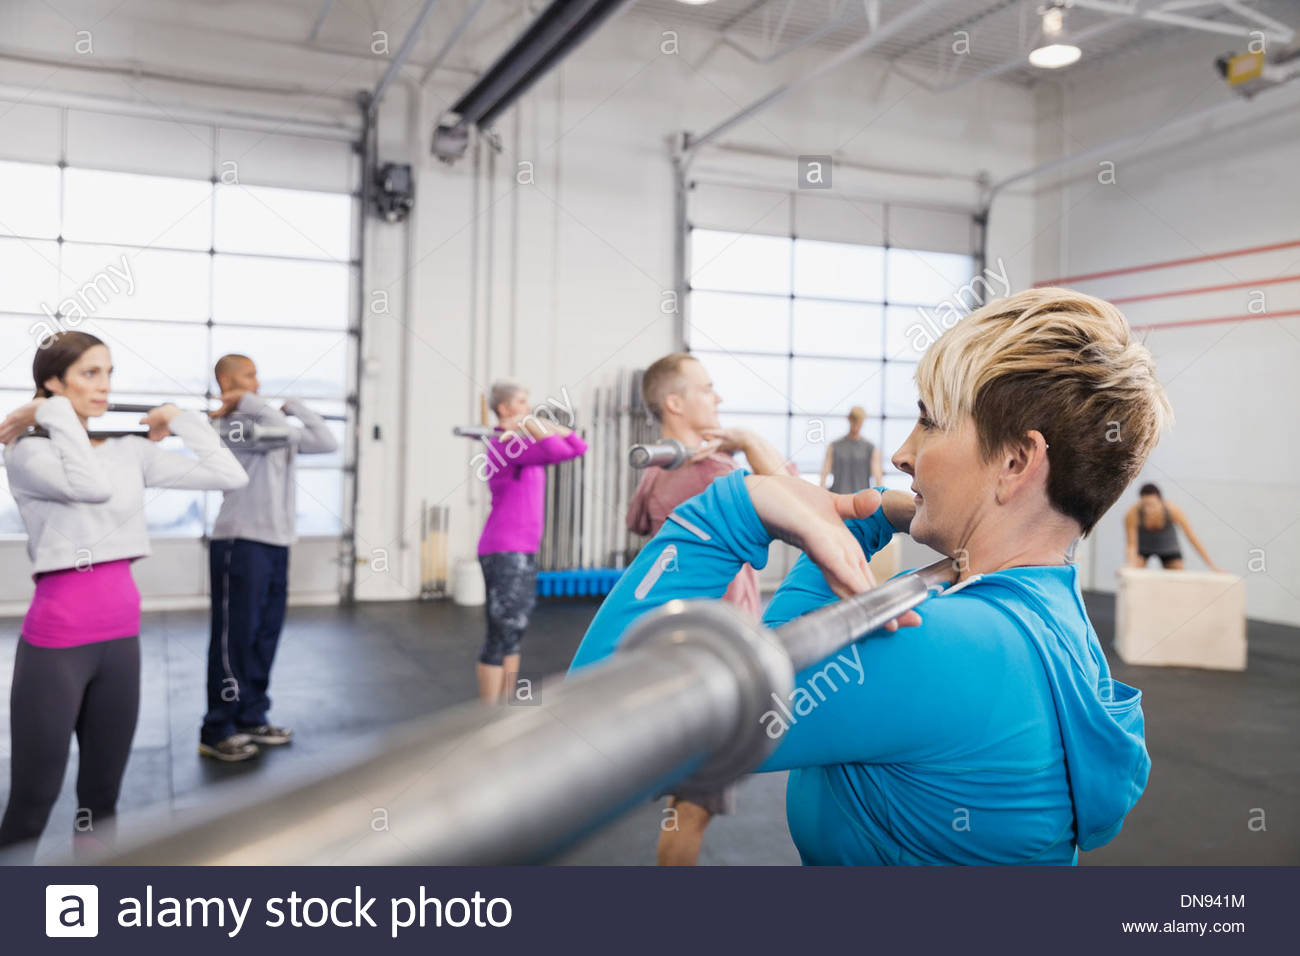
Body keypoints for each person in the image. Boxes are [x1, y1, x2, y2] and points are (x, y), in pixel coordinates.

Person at [571, 288, 1169, 865]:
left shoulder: (943, 646)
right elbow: (785, 639)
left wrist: (734, 512)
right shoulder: (1052, 616)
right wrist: (851, 526)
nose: (904, 453)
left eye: (929, 422)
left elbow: (596, 736)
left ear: (1014, 463)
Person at [0, 332, 248, 858]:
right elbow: (88, 486)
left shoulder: (130, 452)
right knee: (32, 801)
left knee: (101, 802)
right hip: (59, 645)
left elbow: (232, 475)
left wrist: (180, 419)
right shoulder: (26, 454)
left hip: (121, 639)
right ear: (52, 382)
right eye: (90, 373)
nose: (105, 385)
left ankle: (89, 919)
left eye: (109, 372)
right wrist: (46, 415)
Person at [628, 351, 795, 866]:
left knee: (687, 800)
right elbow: (799, 502)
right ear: (675, 402)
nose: (718, 397)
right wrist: (747, 442)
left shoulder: (654, 476)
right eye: (707, 388)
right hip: (714, 658)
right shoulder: (715, 474)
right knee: (693, 806)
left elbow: (637, 523)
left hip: (679, 645)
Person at [199, 354, 338, 762]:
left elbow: (327, 442)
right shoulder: (229, 425)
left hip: (276, 542)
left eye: (258, 375)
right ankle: (217, 726)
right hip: (239, 541)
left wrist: (295, 405)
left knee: (265, 634)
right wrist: (249, 403)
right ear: (227, 380)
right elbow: (276, 430)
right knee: (233, 638)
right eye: (248, 377)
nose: (257, 384)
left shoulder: (271, 427)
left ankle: (251, 717)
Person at [476, 379, 587, 704]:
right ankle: (487, 714)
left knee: (514, 632)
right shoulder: (504, 445)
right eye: (523, 403)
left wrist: (539, 423)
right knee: (500, 635)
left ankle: (505, 705)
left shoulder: (523, 444)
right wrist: (532, 425)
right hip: (503, 550)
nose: (528, 407)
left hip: (522, 549)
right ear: (506, 408)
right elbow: (556, 449)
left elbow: (577, 448)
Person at [1124, 482, 1219, 571]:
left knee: (1177, 572)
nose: (1148, 510)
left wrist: (1212, 566)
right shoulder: (1132, 514)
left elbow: (1192, 539)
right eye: (1145, 505)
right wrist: (1131, 564)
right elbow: (1131, 545)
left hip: (1168, 543)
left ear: (1161, 502)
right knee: (1135, 568)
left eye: (1152, 505)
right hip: (1143, 544)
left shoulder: (1173, 511)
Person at [819, 405, 881, 491]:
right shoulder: (834, 446)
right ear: (849, 419)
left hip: (861, 498)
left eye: (859, 422)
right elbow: (825, 472)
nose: (856, 425)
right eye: (854, 421)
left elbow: (877, 476)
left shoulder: (870, 448)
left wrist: (880, 496)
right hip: (838, 496)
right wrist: (822, 490)